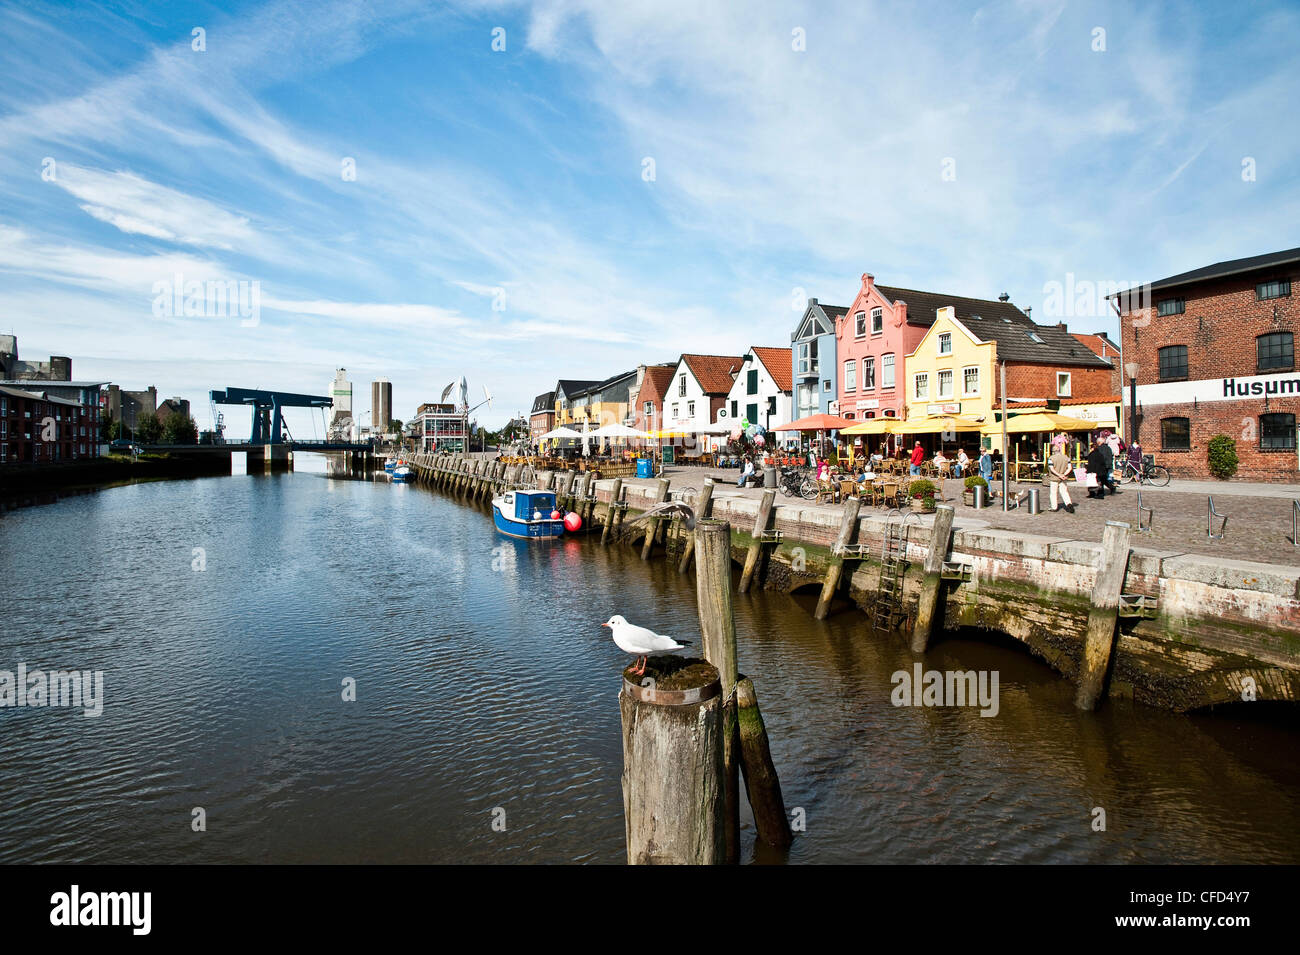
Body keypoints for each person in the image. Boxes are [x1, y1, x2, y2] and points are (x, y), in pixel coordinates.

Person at [1048, 442, 1075, 513]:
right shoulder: (1066, 457)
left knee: (1053, 493)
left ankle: (1054, 507)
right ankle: (1069, 504)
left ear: (1053, 451)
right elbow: (1070, 468)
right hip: (1063, 478)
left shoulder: (1051, 458)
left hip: (1054, 478)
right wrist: (1063, 474)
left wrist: (1059, 475)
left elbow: (1051, 469)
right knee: (1064, 492)